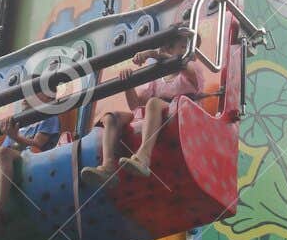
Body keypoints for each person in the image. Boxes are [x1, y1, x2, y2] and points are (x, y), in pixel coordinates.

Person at [81, 48, 204, 186]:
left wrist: (152, 54)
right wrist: (128, 83)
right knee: (111, 117)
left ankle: (144, 157)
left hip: (182, 112)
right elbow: (135, 105)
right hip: (156, 113)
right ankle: (108, 166)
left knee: (153, 103)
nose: (177, 52)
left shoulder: (192, 71)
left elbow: (179, 64)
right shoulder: (158, 80)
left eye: (183, 49)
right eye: (174, 47)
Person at [0, 104, 62, 227]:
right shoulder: (19, 124)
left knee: (4, 152)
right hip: (12, 159)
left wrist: (15, 137)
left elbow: (38, 144)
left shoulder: (48, 116)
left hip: (35, 159)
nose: (25, 97)